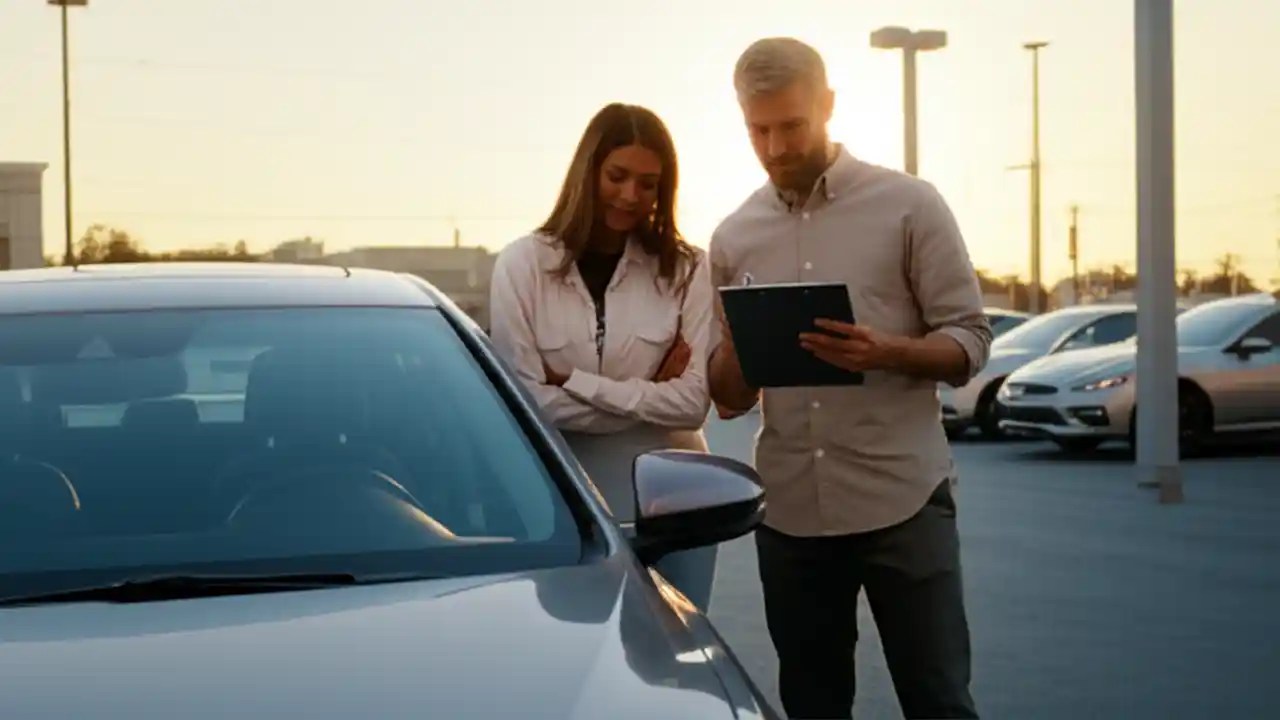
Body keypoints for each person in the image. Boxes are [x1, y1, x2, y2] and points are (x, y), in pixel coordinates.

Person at [708, 38, 992, 719]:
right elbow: (727, 396)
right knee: (812, 704)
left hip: (903, 499)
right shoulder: (732, 236)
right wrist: (750, 342)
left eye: (791, 125)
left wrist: (886, 351)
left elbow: (970, 342)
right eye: (758, 130)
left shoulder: (909, 206)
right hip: (790, 513)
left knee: (938, 701)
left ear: (828, 106)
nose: (775, 147)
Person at [489, 102, 719, 611]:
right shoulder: (522, 265)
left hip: (673, 503)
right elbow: (528, 406)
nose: (630, 195)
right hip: (555, 503)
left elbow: (690, 406)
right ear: (587, 171)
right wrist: (646, 397)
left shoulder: (687, 270)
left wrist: (573, 381)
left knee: (677, 658)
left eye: (648, 183)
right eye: (617, 176)